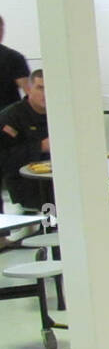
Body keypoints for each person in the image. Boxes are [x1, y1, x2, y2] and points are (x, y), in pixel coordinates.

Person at [1, 68, 50, 211]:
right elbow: (4, 158)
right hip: (26, 183)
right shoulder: (10, 118)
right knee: (57, 200)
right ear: (29, 89)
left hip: (60, 177)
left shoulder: (61, 113)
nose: (45, 94)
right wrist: (39, 147)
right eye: (40, 88)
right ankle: (50, 228)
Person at [0, 15, 30, 109]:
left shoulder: (13, 57)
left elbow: (29, 92)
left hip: (8, 118)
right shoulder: (14, 57)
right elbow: (30, 93)